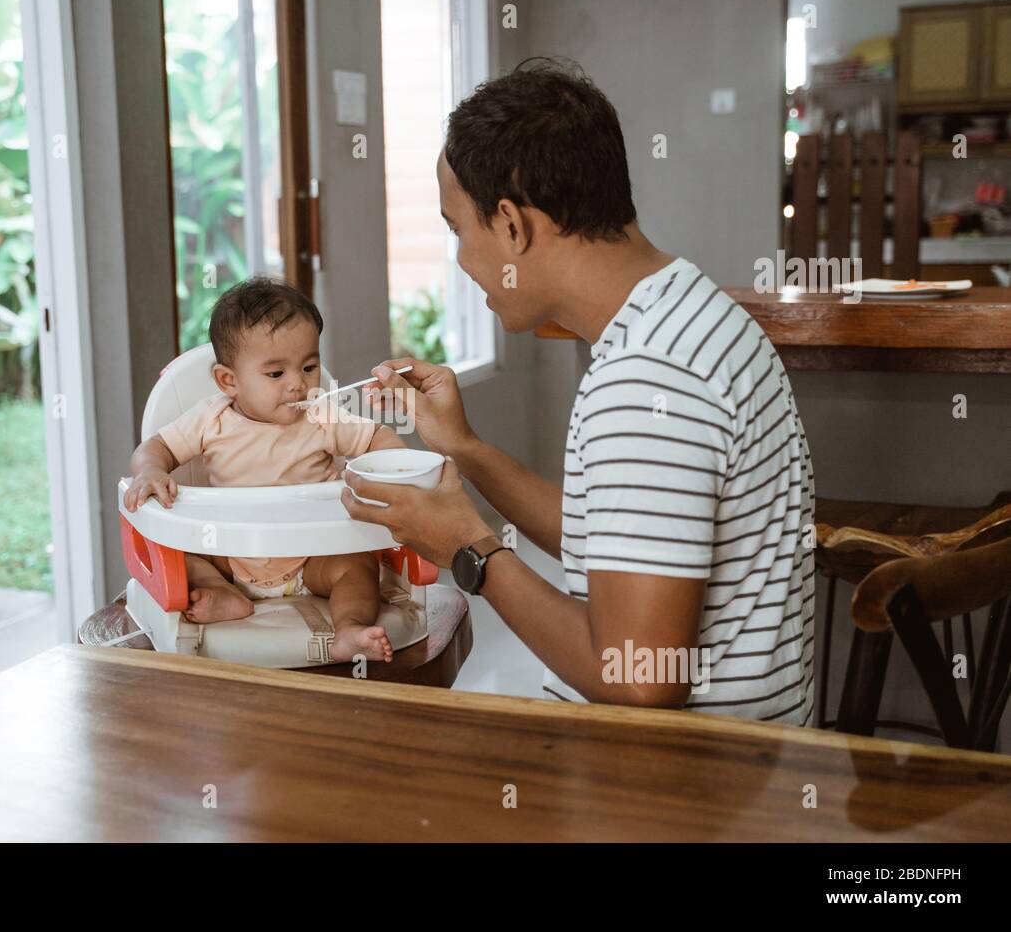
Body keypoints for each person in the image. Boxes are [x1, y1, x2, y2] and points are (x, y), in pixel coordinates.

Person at [342, 59, 816, 723]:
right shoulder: (689, 312)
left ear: (511, 225)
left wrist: (470, 551)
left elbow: (642, 679)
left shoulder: (648, 378)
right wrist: (466, 449)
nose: (460, 258)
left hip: (694, 796)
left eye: (458, 230)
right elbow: (630, 543)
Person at [125, 277, 405, 663]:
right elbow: (155, 447)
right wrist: (150, 472)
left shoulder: (322, 413)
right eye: (276, 374)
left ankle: (350, 629)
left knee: (357, 568)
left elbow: (377, 437)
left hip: (311, 560)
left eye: (309, 366)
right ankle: (224, 594)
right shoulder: (211, 419)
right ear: (229, 381)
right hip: (227, 557)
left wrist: (400, 467)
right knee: (181, 551)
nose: (297, 384)